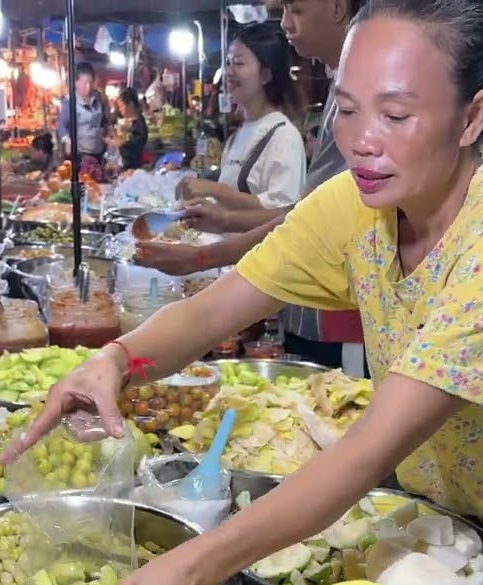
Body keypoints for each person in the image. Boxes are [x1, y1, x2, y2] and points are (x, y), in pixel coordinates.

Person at [21, 0, 483, 585]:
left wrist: (195, 565)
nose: (363, 140)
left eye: (395, 115)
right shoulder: (356, 206)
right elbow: (216, 309)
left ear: (471, 118)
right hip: (458, 540)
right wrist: (117, 360)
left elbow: (368, 451)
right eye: (348, 108)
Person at [135, 0, 366, 369]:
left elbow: (303, 217)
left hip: (338, 310)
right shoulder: (336, 99)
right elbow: (305, 213)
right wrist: (219, 222)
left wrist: (203, 254)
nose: (286, 24)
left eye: (295, 9)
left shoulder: (344, 105)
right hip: (299, 298)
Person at [175, 22, 306, 211]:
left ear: (266, 75)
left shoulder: (284, 137)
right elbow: (228, 208)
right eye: (228, 63)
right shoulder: (237, 136)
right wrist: (201, 204)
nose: (228, 72)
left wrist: (216, 191)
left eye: (238, 63)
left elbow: (283, 211)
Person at [57, 63, 108, 166]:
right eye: (84, 83)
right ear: (76, 83)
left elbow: (103, 120)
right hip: (80, 154)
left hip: (98, 151)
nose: (88, 87)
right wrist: (67, 140)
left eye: (91, 83)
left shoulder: (98, 97)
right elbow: (61, 126)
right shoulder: (70, 101)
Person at [113, 88, 148, 171]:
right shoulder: (127, 122)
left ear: (131, 104)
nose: (120, 110)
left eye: (122, 106)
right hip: (123, 166)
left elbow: (136, 143)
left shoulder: (139, 123)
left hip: (132, 167)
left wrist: (119, 142)